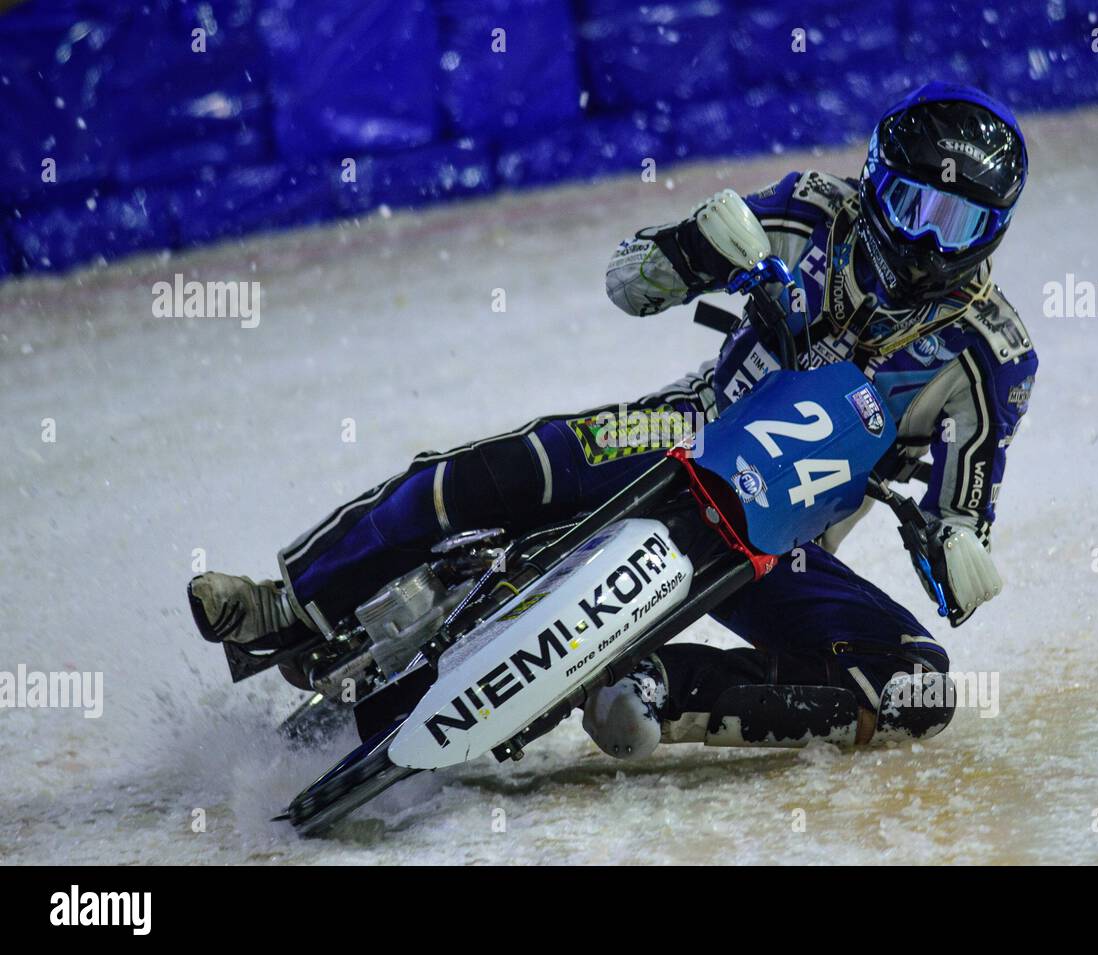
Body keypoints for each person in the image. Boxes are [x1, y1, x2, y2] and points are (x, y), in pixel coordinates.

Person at [189, 82, 1037, 754]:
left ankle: (659, 689)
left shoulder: (991, 358)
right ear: (872, 178)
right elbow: (628, 280)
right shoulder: (816, 209)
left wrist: (952, 549)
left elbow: (961, 519)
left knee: (918, 683)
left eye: (954, 222)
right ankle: (291, 602)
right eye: (907, 202)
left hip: (780, 539)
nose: (922, 241)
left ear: (992, 232)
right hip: (677, 432)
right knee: (484, 475)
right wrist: (691, 251)